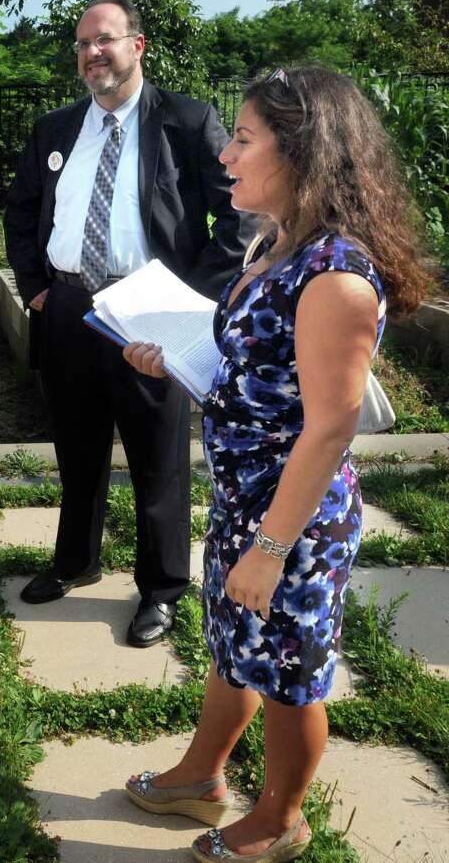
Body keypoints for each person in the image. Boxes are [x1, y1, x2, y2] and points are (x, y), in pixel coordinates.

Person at [122, 66, 433, 861]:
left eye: (244, 139)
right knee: (233, 645)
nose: (225, 155)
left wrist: (269, 548)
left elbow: (328, 429)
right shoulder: (279, 244)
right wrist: (184, 366)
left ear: (303, 155)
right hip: (246, 500)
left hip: (292, 520)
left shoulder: (335, 276)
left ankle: (281, 817)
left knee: (291, 676)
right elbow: (265, 377)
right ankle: (202, 775)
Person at [3, 0, 255, 647]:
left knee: (158, 460)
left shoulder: (187, 122)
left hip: (150, 315)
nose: (93, 54)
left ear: (136, 46)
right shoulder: (55, 128)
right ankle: (74, 560)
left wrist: (190, 304)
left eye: (105, 41)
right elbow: (22, 209)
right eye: (83, 44)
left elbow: (241, 216)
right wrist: (34, 288)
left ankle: (162, 588)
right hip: (67, 310)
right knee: (76, 449)